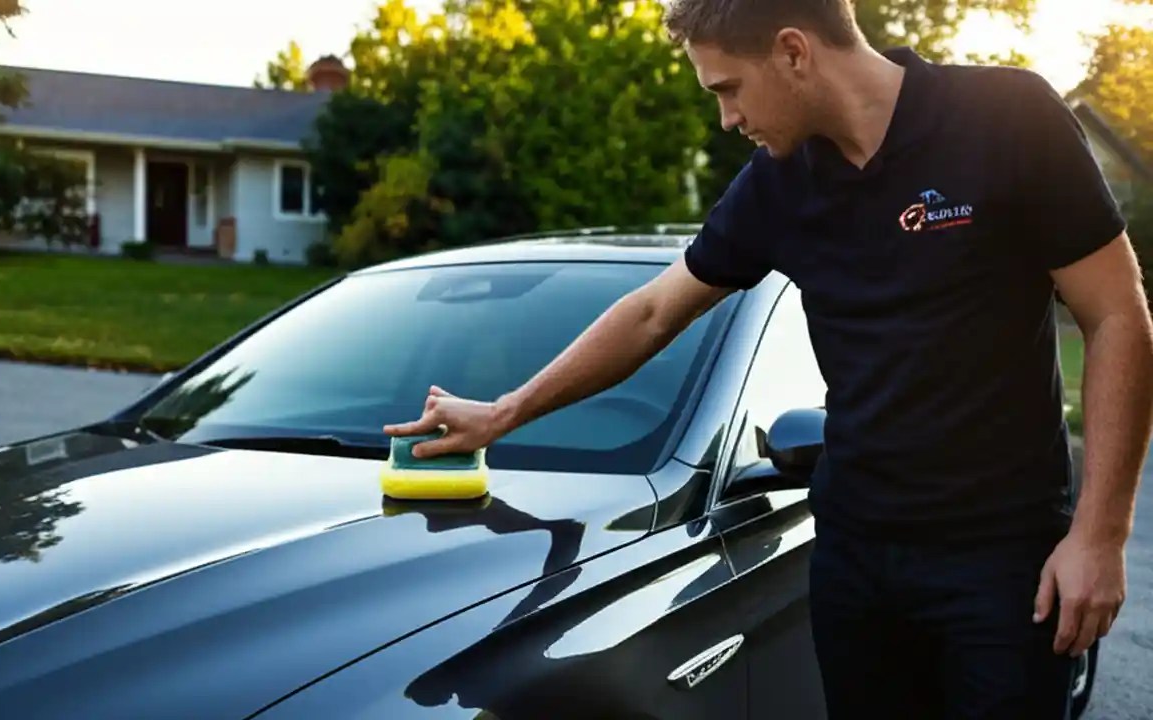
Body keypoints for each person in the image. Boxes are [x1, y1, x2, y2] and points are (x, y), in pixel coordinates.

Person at [384, 0, 1153, 716]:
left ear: (793, 52)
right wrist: (504, 413)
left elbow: (1117, 314)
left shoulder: (1007, 117)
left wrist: (1101, 537)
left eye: (728, 89)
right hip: (855, 558)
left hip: (1003, 563)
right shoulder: (779, 186)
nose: (725, 119)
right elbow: (652, 312)